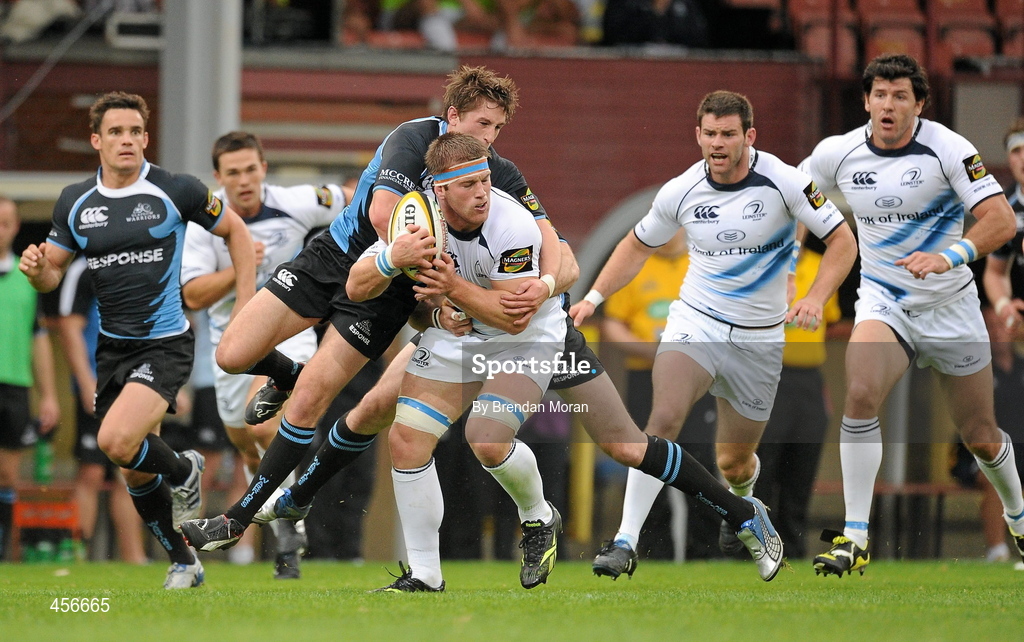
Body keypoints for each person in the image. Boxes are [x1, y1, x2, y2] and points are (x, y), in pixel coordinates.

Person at [346, 133, 788, 591]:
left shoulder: (511, 223)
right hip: (461, 338)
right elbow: (358, 289)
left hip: (529, 336)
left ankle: (742, 514)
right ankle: (425, 576)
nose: (482, 193)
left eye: (484, 179)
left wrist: (451, 289)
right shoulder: (415, 216)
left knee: (555, 442)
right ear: (438, 190)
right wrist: (392, 263)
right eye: (468, 185)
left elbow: (509, 318)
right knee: (405, 442)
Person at [179, 65, 575, 552]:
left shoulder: (495, 172)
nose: (490, 139)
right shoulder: (411, 140)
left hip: (387, 294)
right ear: (453, 116)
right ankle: (284, 373)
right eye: (482, 125)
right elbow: (382, 213)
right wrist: (413, 265)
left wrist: (546, 281)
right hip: (339, 257)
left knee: (312, 404)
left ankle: (237, 519)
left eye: (497, 129)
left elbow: (551, 235)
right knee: (233, 354)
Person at [571, 90, 858, 580]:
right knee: (662, 418)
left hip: (760, 339)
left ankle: (744, 511)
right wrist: (592, 299)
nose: (718, 143)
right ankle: (625, 541)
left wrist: (814, 296)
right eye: (710, 134)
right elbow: (635, 246)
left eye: (729, 134)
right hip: (695, 322)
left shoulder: (787, 182)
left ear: (749, 136)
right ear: (698, 135)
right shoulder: (681, 190)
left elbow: (842, 242)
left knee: (737, 461)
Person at [18, 91, 256, 588]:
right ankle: (184, 562)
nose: (125, 140)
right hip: (112, 350)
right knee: (132, 469)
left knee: (116, 441)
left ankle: (186, 469)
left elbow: (236, 235)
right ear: (96, 141)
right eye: (115, 132)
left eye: (134, 132)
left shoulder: (176, 190)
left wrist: (246, 305)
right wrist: (37, 270)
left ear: (146, 139)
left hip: (165, 344)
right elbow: (51, 278)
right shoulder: (76, 202)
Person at [801, 54, 1024, 577]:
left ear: (919, 105)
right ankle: (855, 535)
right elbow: (796, 198)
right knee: (859, 393)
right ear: (866, 101)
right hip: (885, 301)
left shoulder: (949, 149)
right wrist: (791, 265)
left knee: (981, 433)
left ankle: (1017, 512)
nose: (888, 105)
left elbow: (1001, 219)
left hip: (951, 306)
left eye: (900, 96)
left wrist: (948, 257)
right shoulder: (838, 153)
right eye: (880, 94)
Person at [180, 131, 350, 579]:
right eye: (233, 173)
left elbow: (358, 198)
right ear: (218, 177)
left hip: (289, 327)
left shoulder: (297, 200)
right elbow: (192, 294)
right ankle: (284, 519)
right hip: (231, 345)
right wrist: (240, 265)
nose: (244, 180)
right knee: (247, 444)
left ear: (264, 168)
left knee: (271, 424)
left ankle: (289, 533)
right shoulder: (204, 220)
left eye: (251, 169)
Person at [599, 229, 722, 561]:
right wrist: (653, 351)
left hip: (696, 376)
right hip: (645, 374)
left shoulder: (704, 263)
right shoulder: (637, 265)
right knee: (647, 457)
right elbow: (612, 323)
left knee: (702, 460)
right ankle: (653, 551)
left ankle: (707, 553)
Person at [38, 256, 146, 563]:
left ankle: (133, 558)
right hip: (97, 384)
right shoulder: (83, 269)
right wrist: (86, 383)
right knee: (91, 472)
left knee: (132, 472)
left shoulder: (143, 265)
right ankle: (78, 554)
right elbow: (69, 328)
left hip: (135, 387)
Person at [752, 240, 842, 559]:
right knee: (765, 463)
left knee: (803, 465)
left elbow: (827, 322)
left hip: (809, 379)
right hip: (767, 375)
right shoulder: (760, 262)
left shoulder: (821, 265)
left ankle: (794, 546)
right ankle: (758, 545)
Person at [0, 196, 60, 561]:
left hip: (16, 388)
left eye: (5, 222)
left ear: (16, 227)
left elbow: (39, 340)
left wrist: (50, 395)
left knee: (8, 475)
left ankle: (4, 553)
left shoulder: (27, 279)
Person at [981, 117, 1024, 332]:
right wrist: (1003, 305)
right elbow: (995, 272)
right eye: (1017, 150)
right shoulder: (1006, 209)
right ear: (1009, 158)